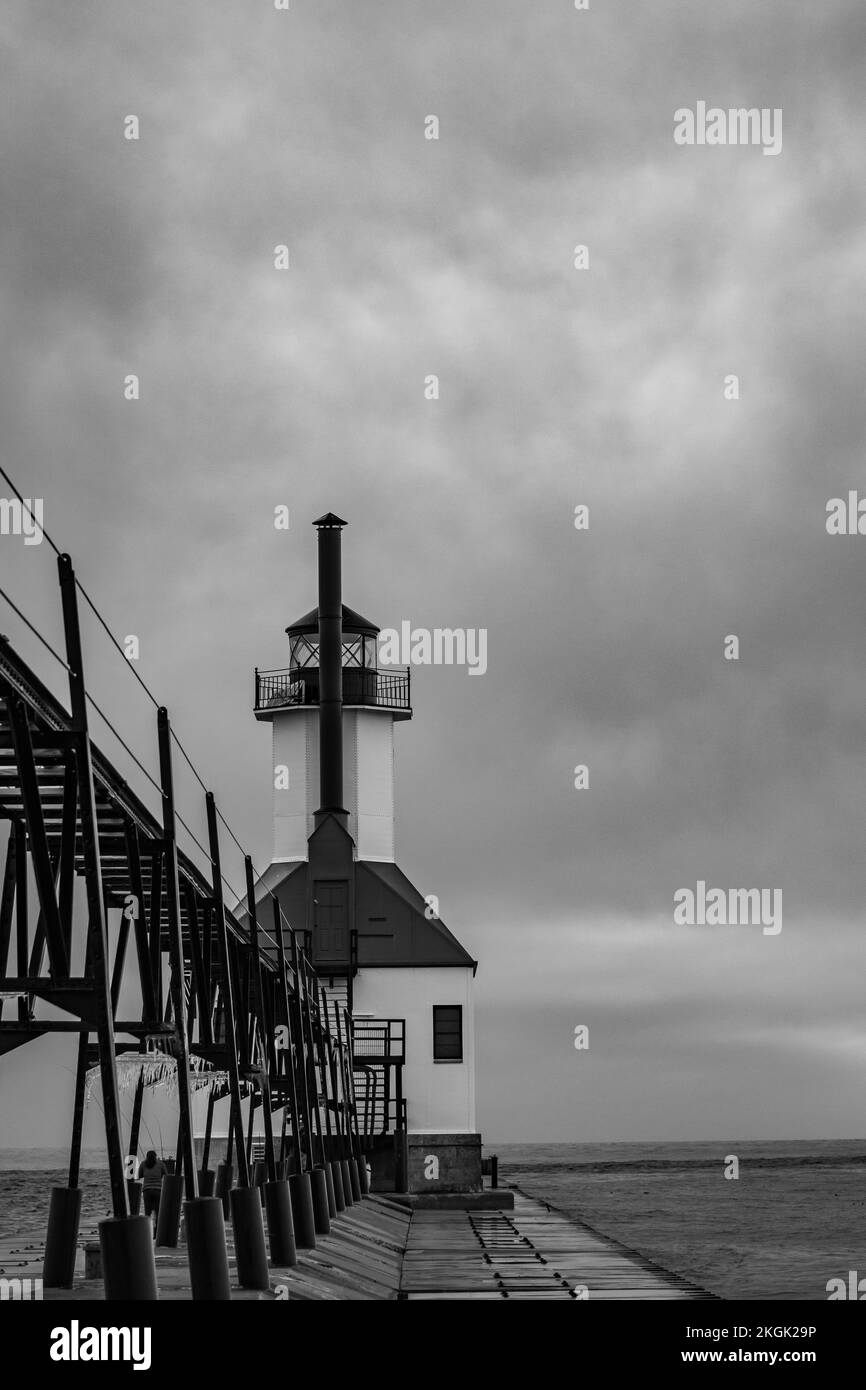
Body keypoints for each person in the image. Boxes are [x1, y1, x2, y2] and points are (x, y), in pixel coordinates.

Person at [137, 1150, 168, 1227]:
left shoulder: (143, 1163)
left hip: (147, 1191)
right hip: (158, 1190)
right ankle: (157, 1232)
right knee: (158, 1212)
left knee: (147, 1212)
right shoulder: (161, 1164)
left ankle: (147, 1232)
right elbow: (166, 1175)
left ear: (147, 1156)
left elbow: (139, 1176)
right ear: (155, 1156)